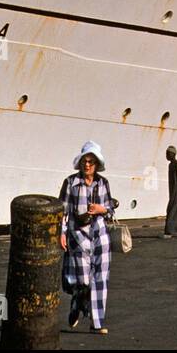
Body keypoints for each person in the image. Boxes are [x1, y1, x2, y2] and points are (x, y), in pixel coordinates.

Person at [59, 141, 118, 334]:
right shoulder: (70, 183)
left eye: (91, 162)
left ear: (97, 165)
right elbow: (63, 211)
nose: (87, 165)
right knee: (82, 280)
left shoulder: (103, 183)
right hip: (78, 235)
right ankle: (77, 303)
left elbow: (110, 210)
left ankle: (97, 323)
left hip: (100, 235)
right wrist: (62, 233)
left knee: (100, 280)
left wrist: (102, 209)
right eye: (85, 161)